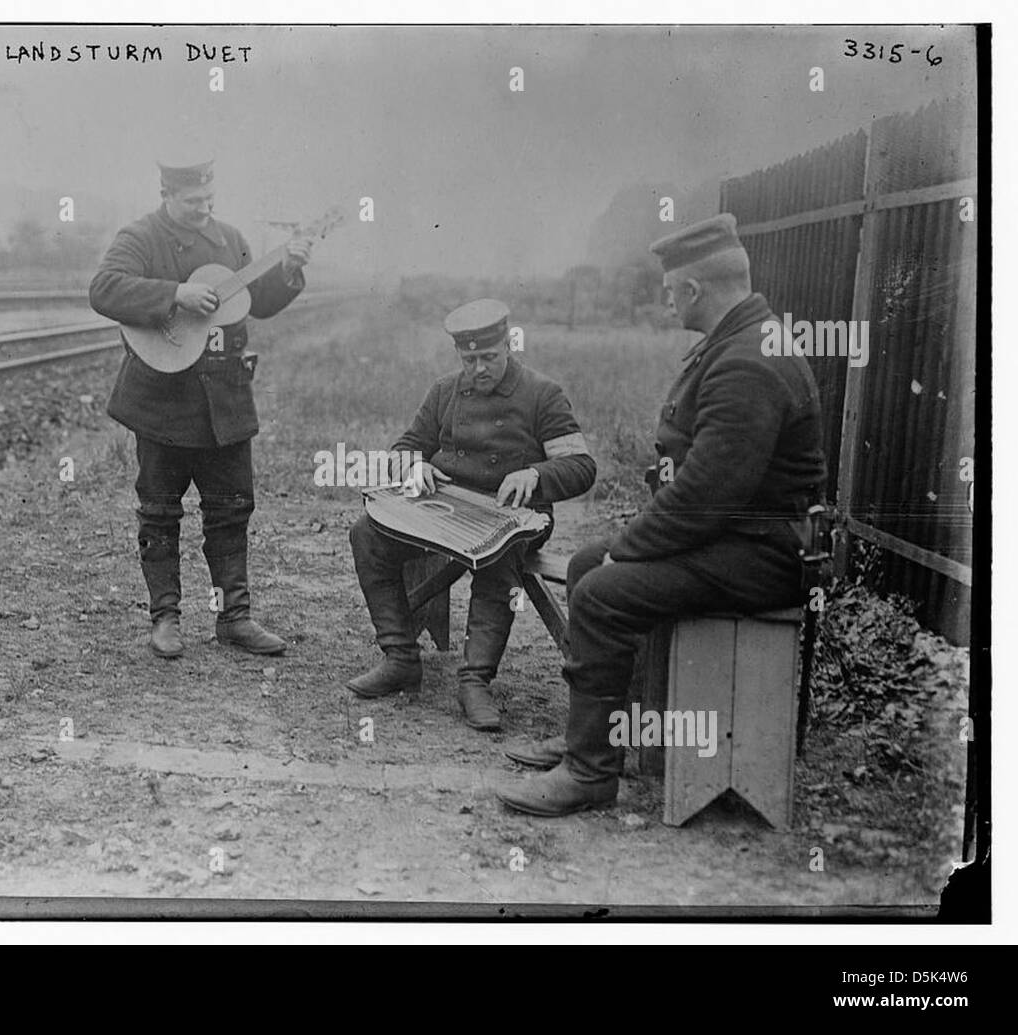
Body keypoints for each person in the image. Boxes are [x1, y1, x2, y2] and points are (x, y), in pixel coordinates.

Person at [496, 213, 827, 816]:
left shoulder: (748, 361)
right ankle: (598, 738)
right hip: (743, 539)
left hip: (766, 555)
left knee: (603, 590)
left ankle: (590, 774)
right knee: (588, 564)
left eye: (670, 290)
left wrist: (634, 546)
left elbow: (706, 494)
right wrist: (626, 547)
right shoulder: (741, 340)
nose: (666, 300)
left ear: (695, 290)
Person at [89, 158, 311, 660]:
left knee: (231, 510)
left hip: (226, 398)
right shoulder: (140, 236)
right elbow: (103, 289)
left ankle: (235, 617)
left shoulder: (232, 240)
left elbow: (260, 301)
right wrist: (174, 295)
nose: (204, 209)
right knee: (160, 511)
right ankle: (165, 617)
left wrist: (290, 267)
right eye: (193, 201)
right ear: (167, 193)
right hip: (162, 401)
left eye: (210, 199)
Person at [348, 298, 596, 731]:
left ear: (508, 346)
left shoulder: (542, 393)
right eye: (470, 359)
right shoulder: (445, 390)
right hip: (447, 506)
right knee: (367, 533)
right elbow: (406, 446)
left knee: (500, 556)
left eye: (489, 357)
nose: (479, 368)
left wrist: (535, 475)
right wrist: (415, 465)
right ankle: (400, 656)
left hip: (515, 514)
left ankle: (475, 680)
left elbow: (581, 467)